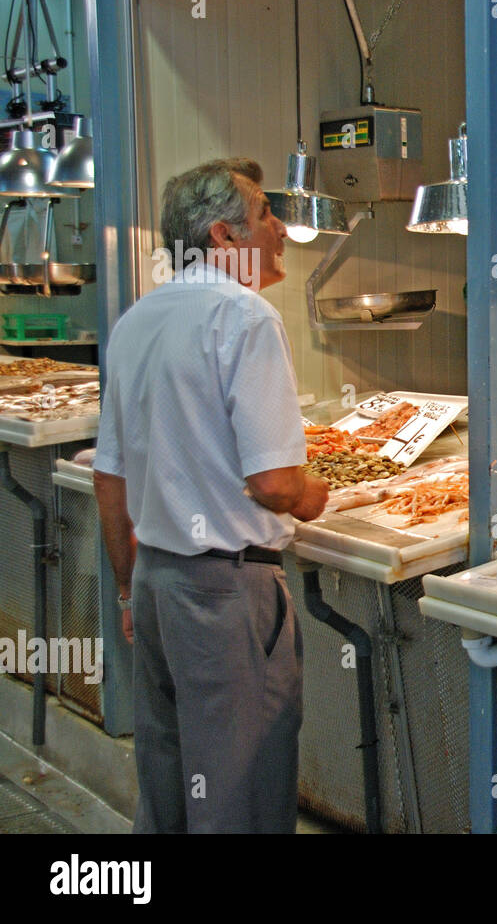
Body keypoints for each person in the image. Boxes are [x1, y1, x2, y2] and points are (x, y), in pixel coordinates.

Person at [92, 158, 329, 833]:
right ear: (224, 237)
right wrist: (317, 494)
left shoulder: (138, 320)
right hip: (227, 594)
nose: (280, 227)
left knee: (170, 787)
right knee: (238, 796)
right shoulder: (245, 318)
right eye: (264, 214)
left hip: (159, 585)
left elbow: (111, 479)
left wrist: (127, 590)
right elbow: (275, 484)